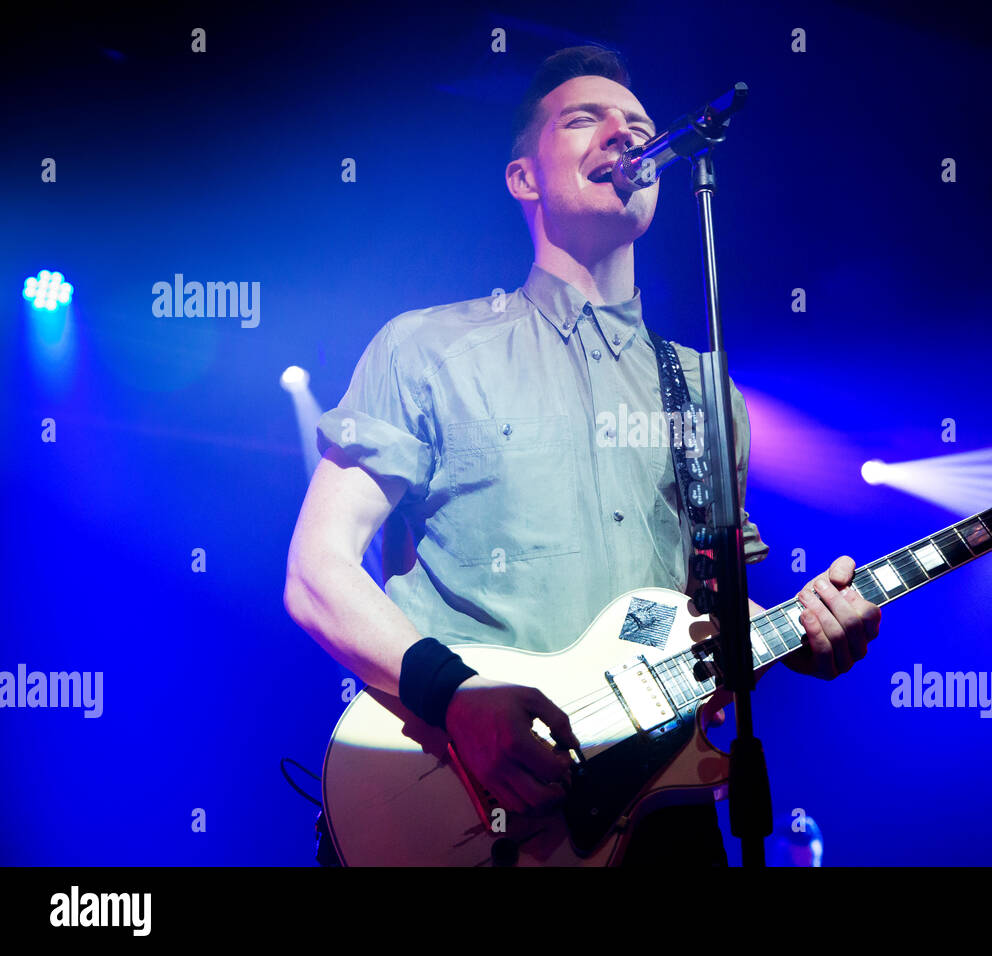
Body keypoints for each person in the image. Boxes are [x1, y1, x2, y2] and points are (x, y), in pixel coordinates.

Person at [283, 44, 880, 866]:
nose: (624, 135)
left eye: (637, 124)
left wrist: (807, 639)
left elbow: (708, 646)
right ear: (523, 178)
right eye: (584, 120)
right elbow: (317, 572)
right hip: (457, 802)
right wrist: (457, 700)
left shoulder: (708, 390)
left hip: (660, 824)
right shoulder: (426, 347)